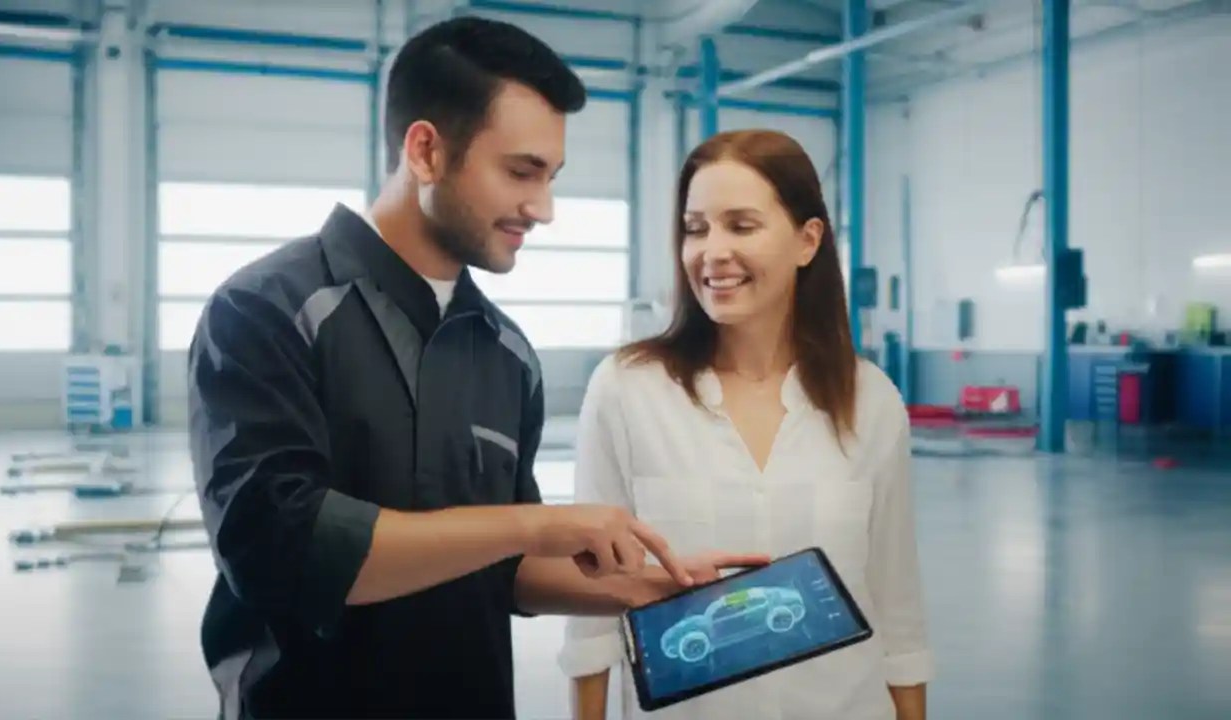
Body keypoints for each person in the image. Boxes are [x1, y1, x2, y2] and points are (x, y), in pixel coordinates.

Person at [187, 17, 762, 720]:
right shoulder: (267, 309)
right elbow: (280, 552)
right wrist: (532, 525)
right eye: (521, 172)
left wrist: (640, 589)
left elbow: (503, 569)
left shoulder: (506, 352)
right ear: (426, 151)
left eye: (550, 178)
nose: (542, 208)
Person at [558, 129, 935, 720]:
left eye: (741, 225)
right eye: (695, 228)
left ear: (807, 240)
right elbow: (594, 612)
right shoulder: (627, 391)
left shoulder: (871, 401)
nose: (712, 251)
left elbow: (896, 603)